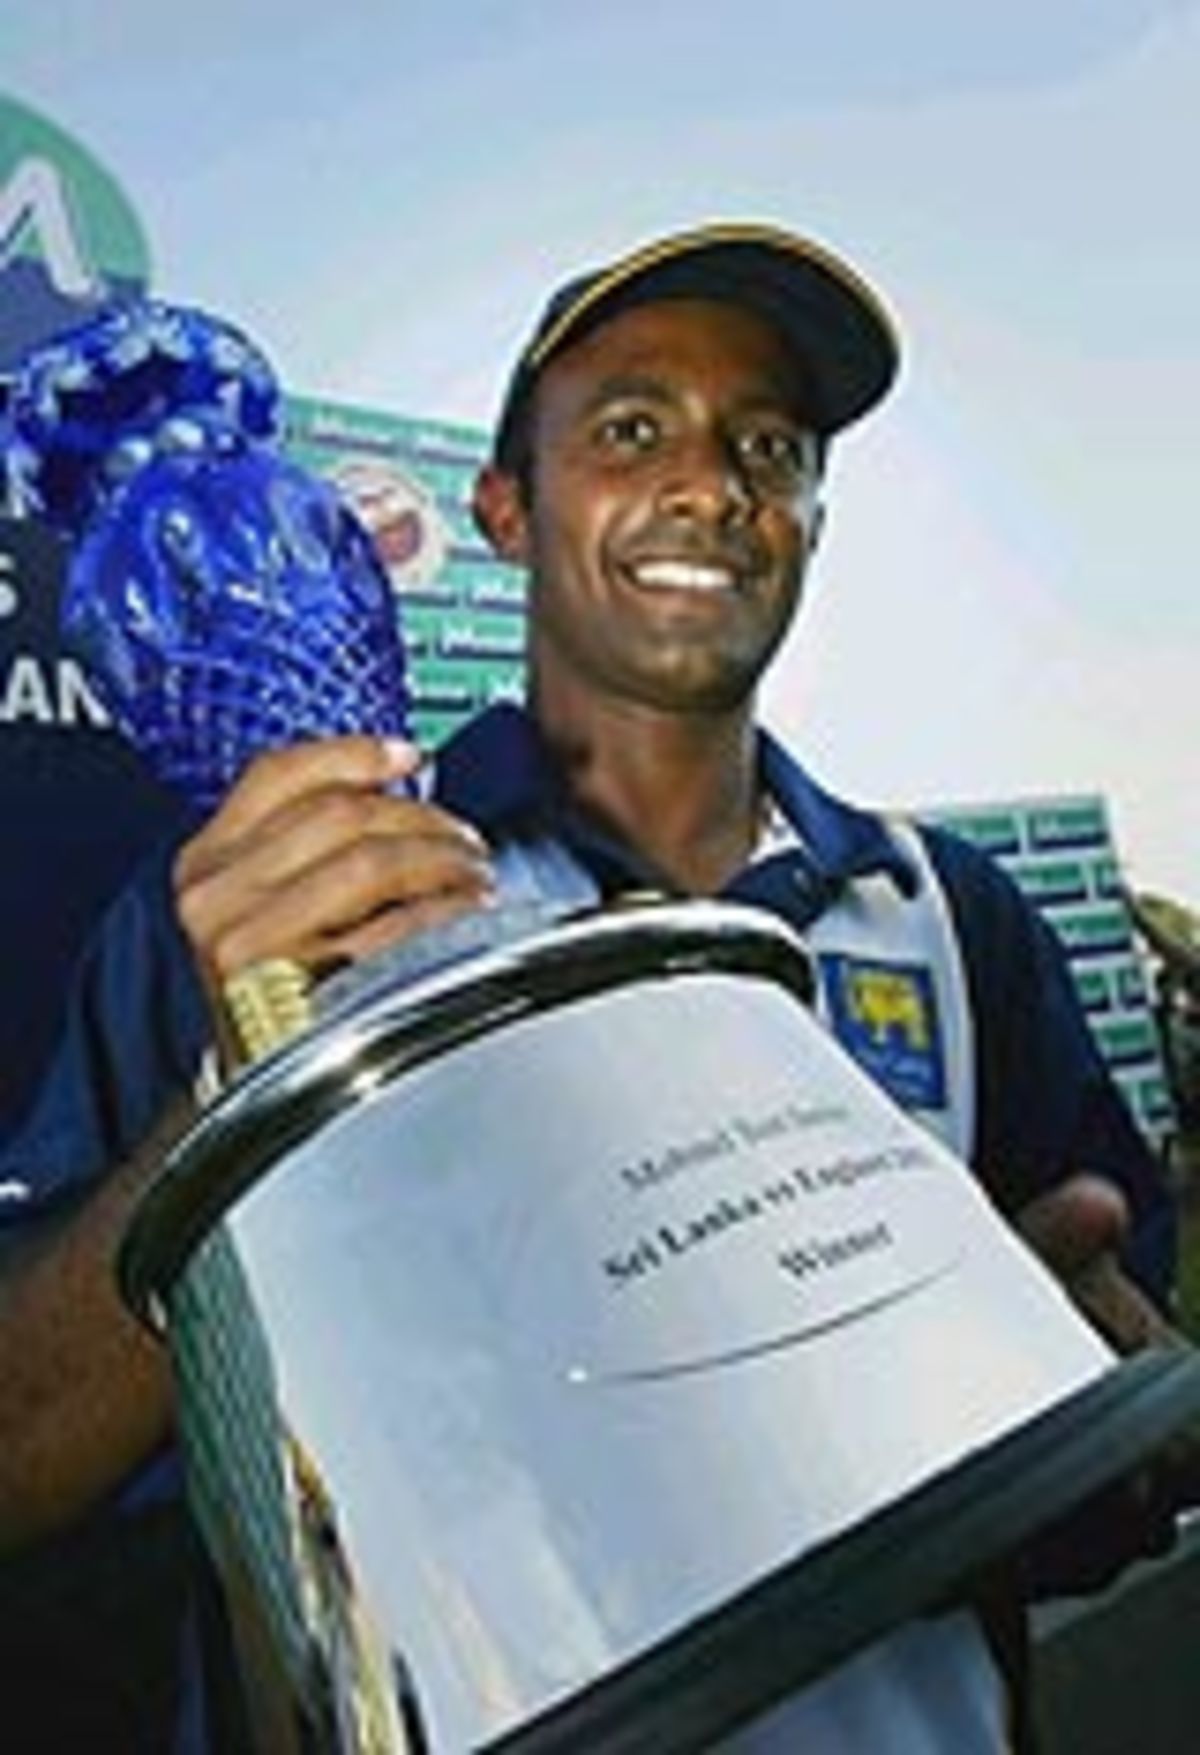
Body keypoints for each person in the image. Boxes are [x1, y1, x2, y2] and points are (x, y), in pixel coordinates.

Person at [0, 221, 1188, 1751]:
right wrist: (262, 1076)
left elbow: (1125, 1438)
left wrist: (1086, 1411)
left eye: (770, 446)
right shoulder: (253, 913)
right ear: (503, 508)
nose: (712, 484)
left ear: (812, 522)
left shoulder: (958, 920)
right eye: (632, 429)